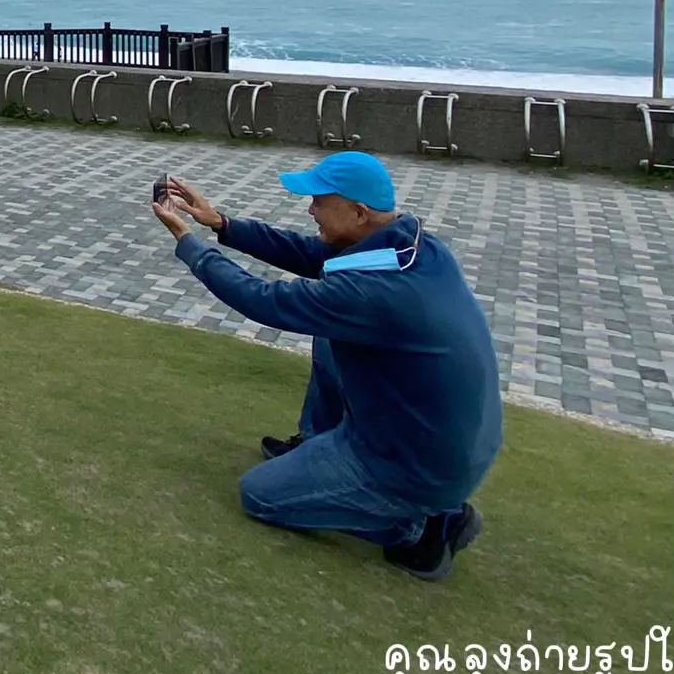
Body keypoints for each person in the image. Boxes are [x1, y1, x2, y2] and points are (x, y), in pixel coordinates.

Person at [150, 151, 502, 582]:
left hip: (417, 466)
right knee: (332, 335)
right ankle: (320, 443)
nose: (310, 208)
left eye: (319, 200)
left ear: (358, 212)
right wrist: (221, 223)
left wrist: (190, 245)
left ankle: (427, 524)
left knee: (259, 494)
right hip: (448, 442)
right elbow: (314, 255)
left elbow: (265, 300)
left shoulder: (371, 293)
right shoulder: (411, 246)